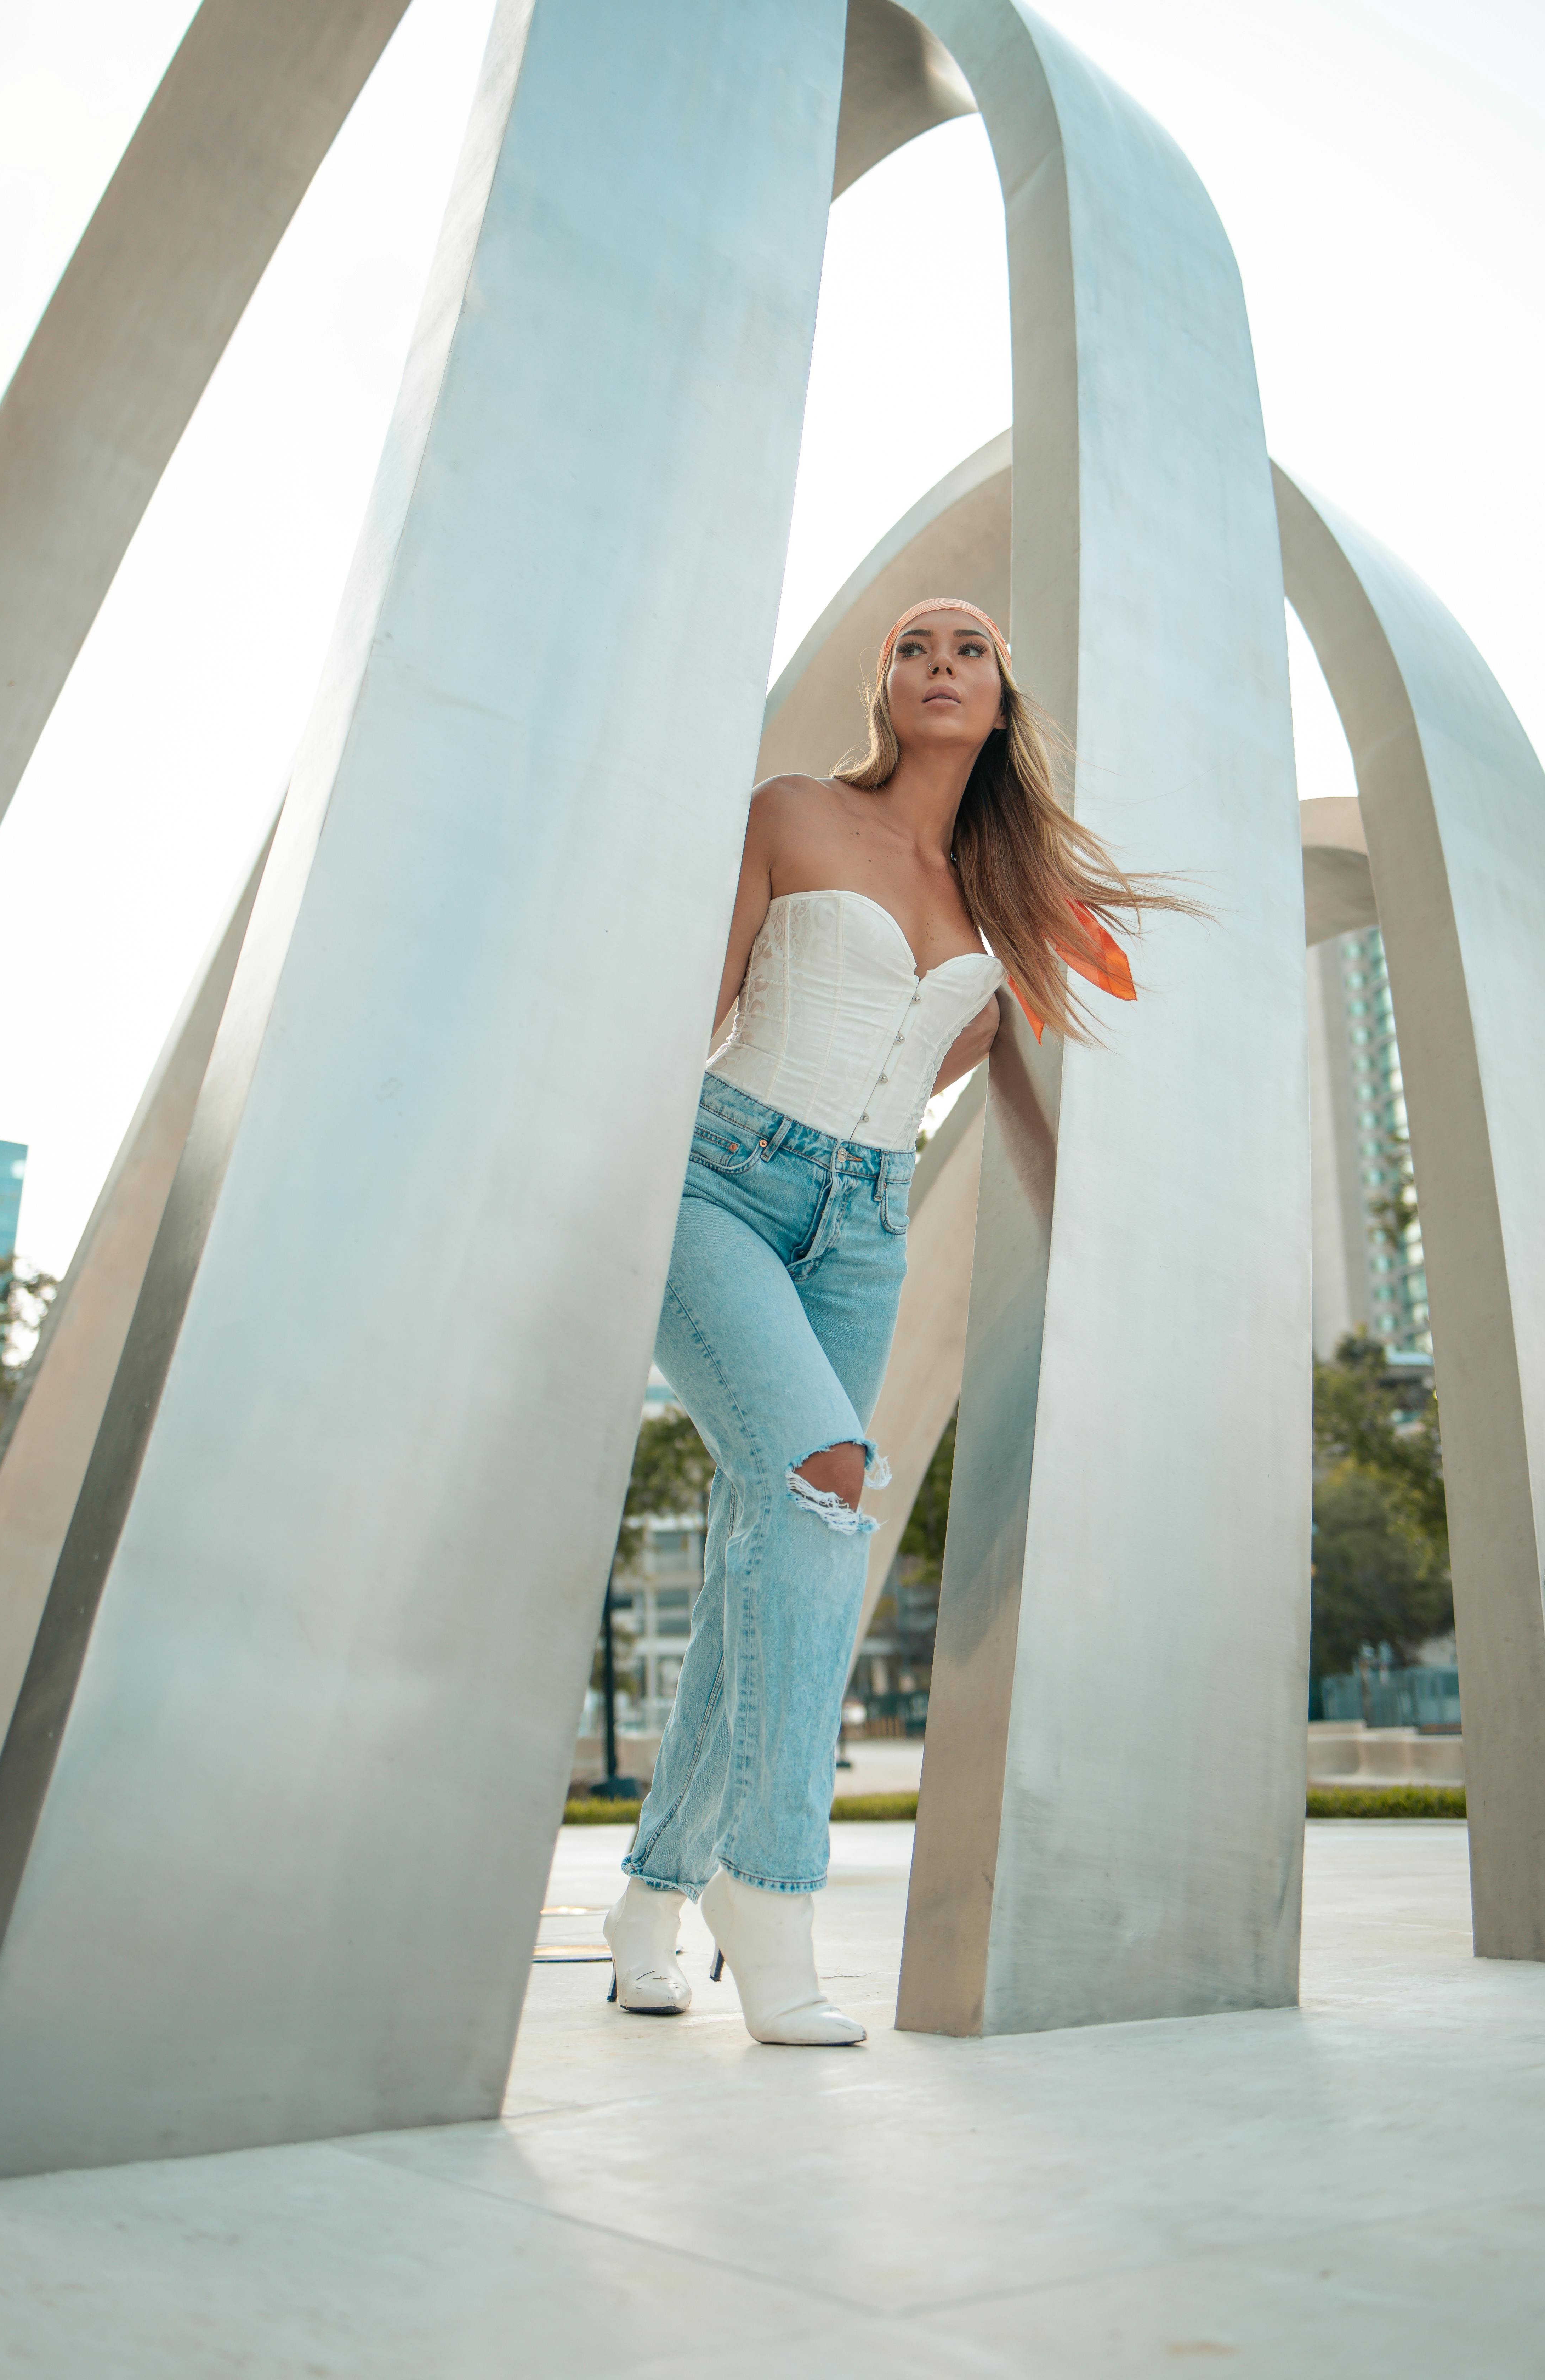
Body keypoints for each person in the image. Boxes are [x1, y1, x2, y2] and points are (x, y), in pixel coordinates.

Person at [603, 599, 1187, 2045]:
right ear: (886, 684)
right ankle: (773, 1886)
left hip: (861, 1228)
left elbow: (1003, 1086)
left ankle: (650, 1899)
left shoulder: (1006, 896)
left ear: (1000, 702)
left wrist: (1093, 1261)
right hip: (717, 1182)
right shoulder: (791, 813)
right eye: (916, 646)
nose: (941, 663)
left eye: (970, 650)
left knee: (778, 1543)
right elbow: (695, 1005)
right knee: (825, 1480)